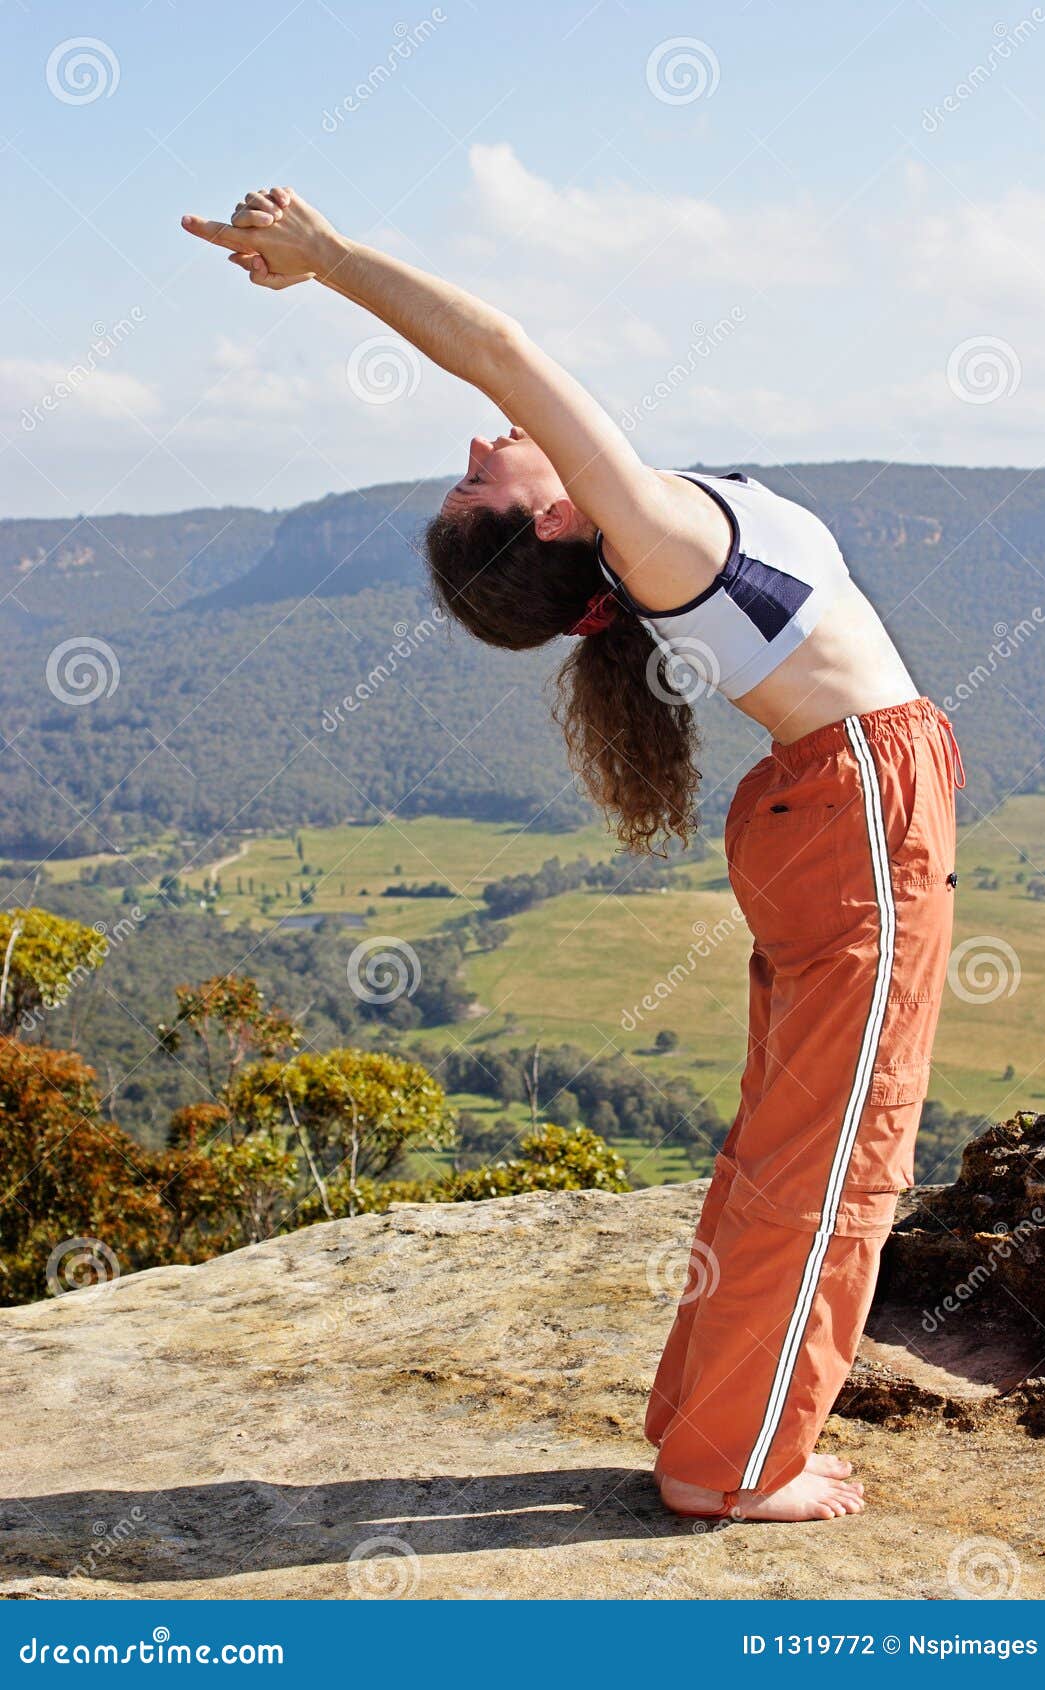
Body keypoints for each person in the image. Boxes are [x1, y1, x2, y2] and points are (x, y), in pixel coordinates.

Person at [183, 188, 964, 1523]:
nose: (484, 440)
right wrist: (328, 258)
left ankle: (712, 1423)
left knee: (792, 1138)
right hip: (859, 814)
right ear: (547, 521)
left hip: (830, 807)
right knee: (842, 1152)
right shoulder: (643, 530)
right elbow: (499, 351)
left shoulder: (645, 534)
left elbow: (507, 378)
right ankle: (730, 1464)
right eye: (482, 477)